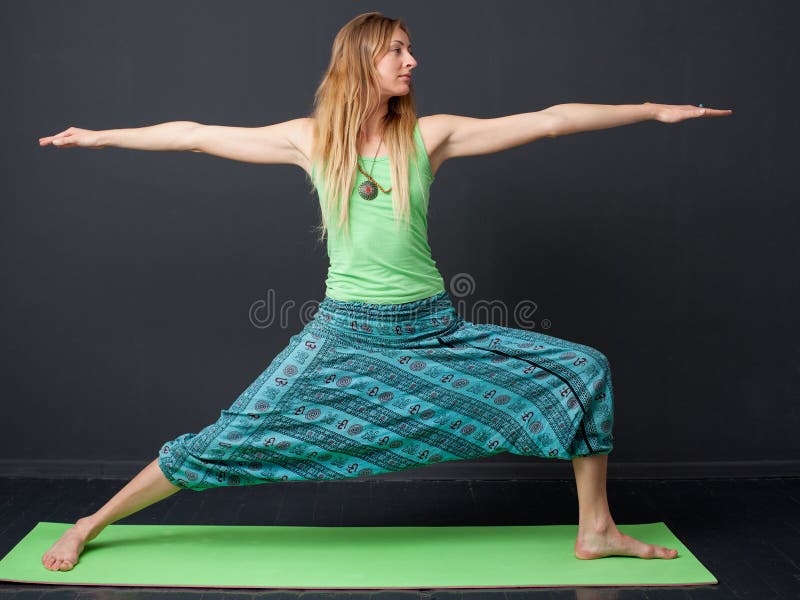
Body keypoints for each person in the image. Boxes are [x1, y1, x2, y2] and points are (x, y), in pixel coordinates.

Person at [37, 11, 731, 573]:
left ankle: (597, 529)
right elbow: (193, 135)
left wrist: (650, 110)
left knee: (582, 370)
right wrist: (102, 137)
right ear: (360, 61)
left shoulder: (429, 137)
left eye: (410, 49)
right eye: (397, 50)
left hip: (434, 330)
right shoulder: (311, 141)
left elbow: (550, 119)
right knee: (226, 438)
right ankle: (91, 522)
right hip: (343, 334)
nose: (411, 61)